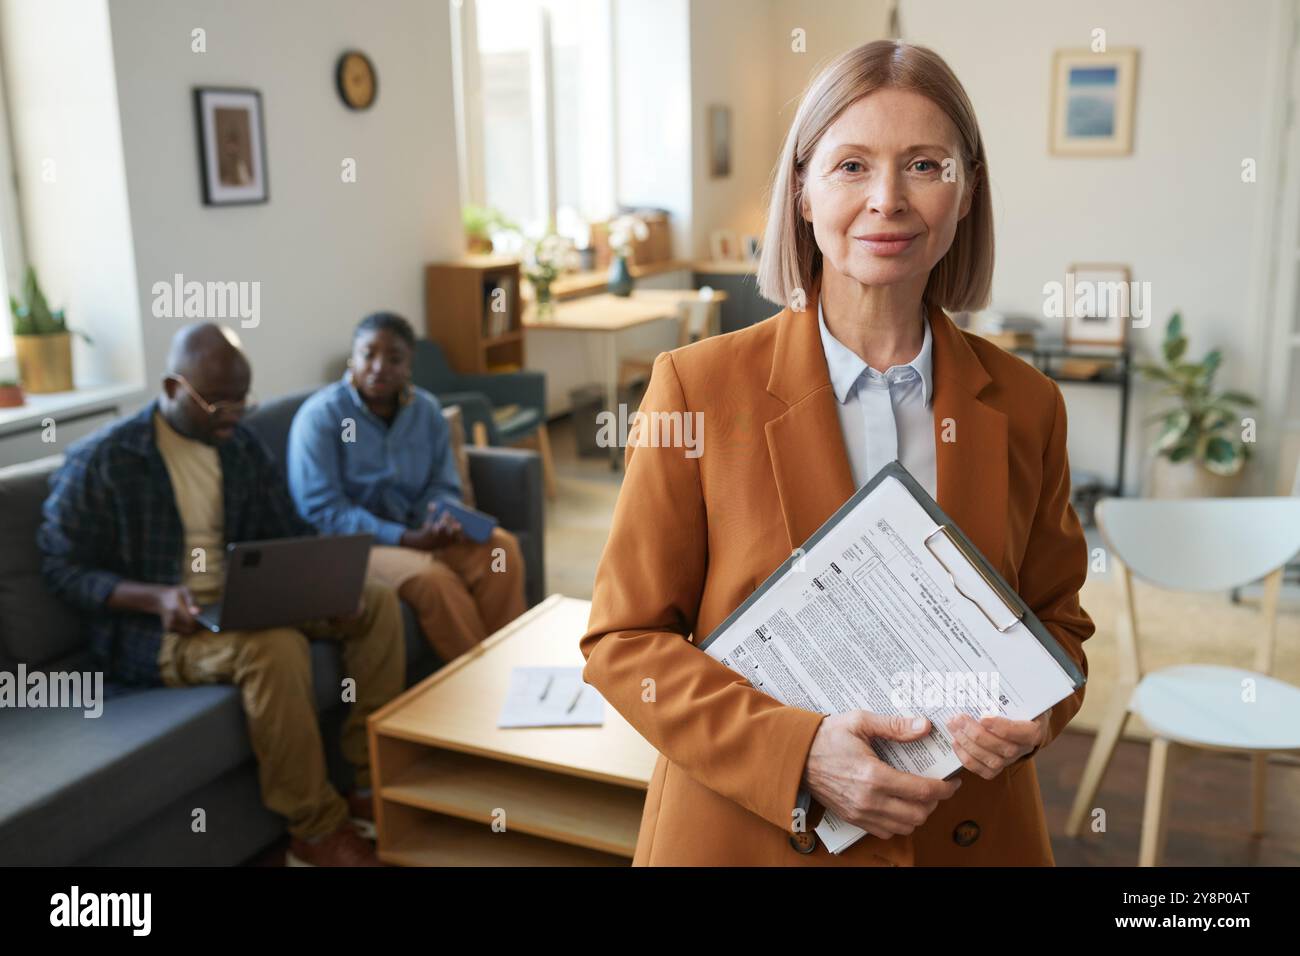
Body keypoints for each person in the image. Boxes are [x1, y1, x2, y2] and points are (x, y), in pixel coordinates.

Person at [580, 40, 1095, 866]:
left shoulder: (1029, 406)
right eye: (852, 165)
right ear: (802, 189)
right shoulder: (694, 389)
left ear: (967, 190)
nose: (887, 199)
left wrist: (1037, 716)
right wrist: (798, 754)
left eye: (924, 165)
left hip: (963, 835)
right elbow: (624, 642)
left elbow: (1058, 623)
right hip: (751, 835)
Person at [38, 323, 404, 867]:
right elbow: (62, 567)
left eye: (241, 400)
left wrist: (329, 585)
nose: (233, 414)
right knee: (274, 648)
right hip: (157, 628)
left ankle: (367, 783)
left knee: (373, 601)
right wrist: (154, 598)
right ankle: (314, 831)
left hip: (245, 598)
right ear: (172, 388)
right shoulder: (105, 460)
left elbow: (286, 530)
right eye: (217, 403)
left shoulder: (239, 446)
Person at [286, 312, 526, 662]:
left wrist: (439, 520)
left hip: (420, 530)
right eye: (368, 355)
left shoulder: (426, 411)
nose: (379, 367)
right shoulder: (321, 417)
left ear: (409, 364)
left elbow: (443, 483)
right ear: (353, 358)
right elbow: (324, 510)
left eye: (394, 358)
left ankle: (514, 665)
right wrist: (404, 538)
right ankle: (482, 679)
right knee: (433, 581)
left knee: (500, 548)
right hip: (355, 547)